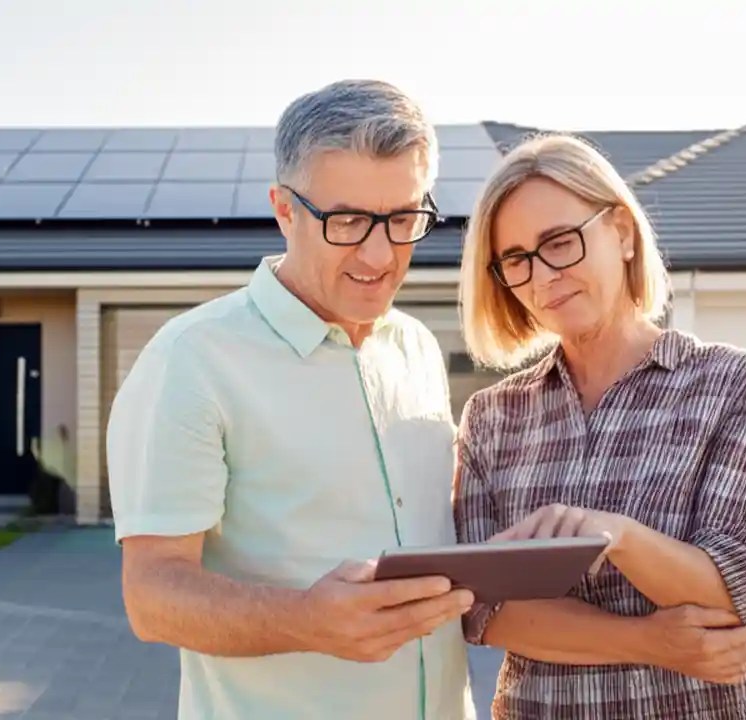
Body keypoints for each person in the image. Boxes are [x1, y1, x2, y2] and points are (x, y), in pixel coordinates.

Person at [106, 79, 478, 719]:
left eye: (403, 218)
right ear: (284, 210)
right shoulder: (191, 360)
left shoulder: (415, 346)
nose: (380, 253)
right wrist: (306, 620)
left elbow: (421, 520)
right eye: (349, 221)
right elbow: (152, 595)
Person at [453, 132, 746, 719]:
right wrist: (652, 640)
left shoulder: (736, 386)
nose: (542, 277)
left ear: (621, 233)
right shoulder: (491, 419)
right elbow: (484, 611)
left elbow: (733, 589)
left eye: (559, 242)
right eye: (516, 260)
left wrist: (616, 535)